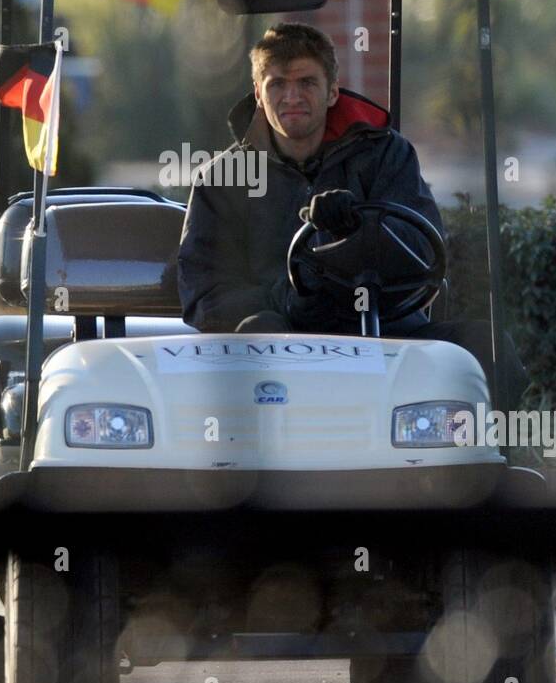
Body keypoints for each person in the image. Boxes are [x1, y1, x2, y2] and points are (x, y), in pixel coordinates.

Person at [177, 21, 526, 407]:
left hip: (385, 327)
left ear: (332, 93)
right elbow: (204, 296)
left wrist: (360, 230)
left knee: (488, 346)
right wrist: (287, 299)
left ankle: (488, 460)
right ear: (259, 94)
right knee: (259, 331)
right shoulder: (224, 178)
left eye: (307, 82)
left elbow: (422, 251)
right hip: (283, 339)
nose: (292, 96)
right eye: (277, 84)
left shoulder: (386, 154)